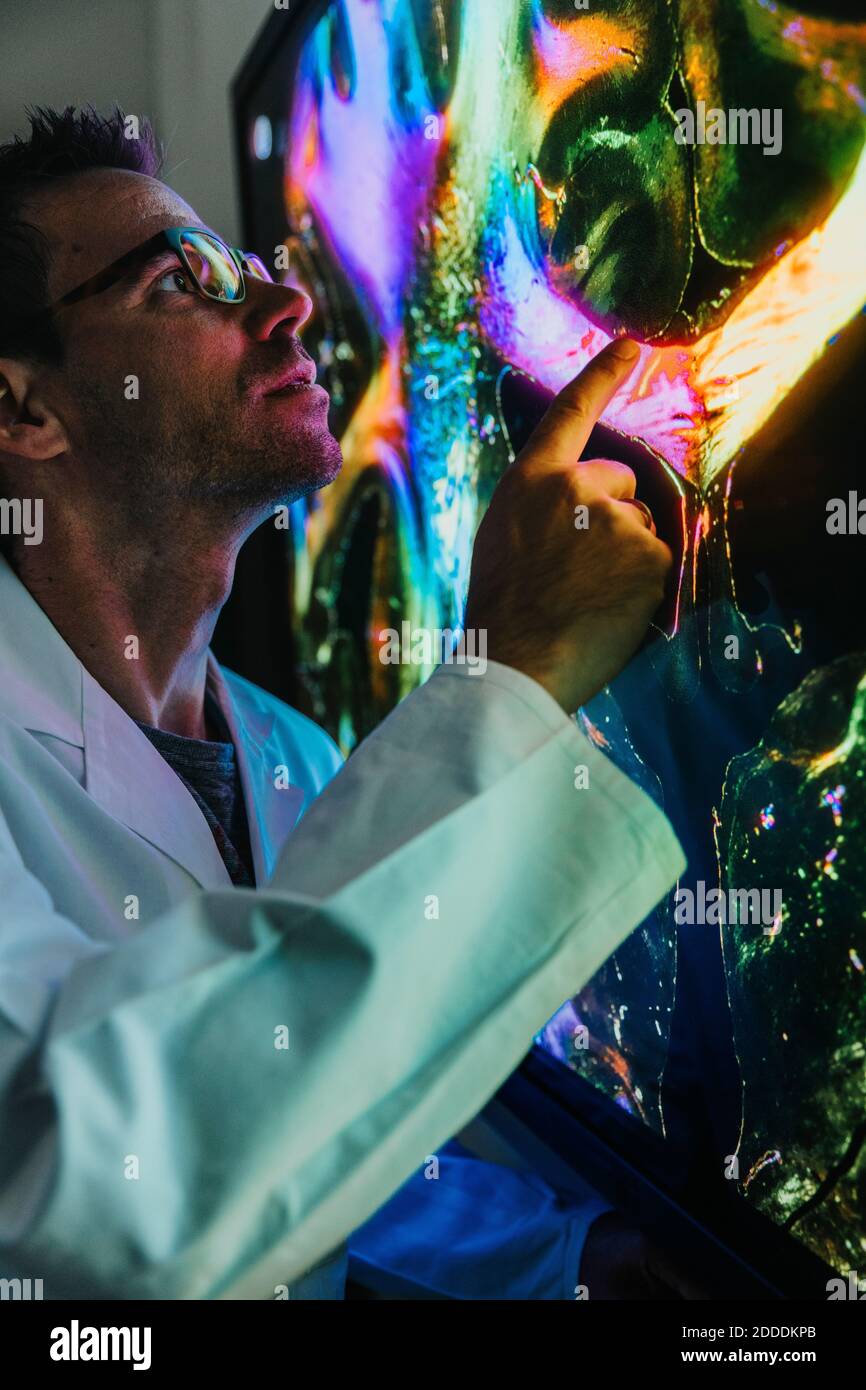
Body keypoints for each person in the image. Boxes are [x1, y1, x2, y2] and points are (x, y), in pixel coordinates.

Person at [0, 107, 685, 1300]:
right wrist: (510, 671)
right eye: (183, 280)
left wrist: (577, 1257)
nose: (285, 305)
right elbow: (100, 1185)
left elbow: (321, 1122)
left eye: (252, 266)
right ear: (26, 410)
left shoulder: (287, 750)